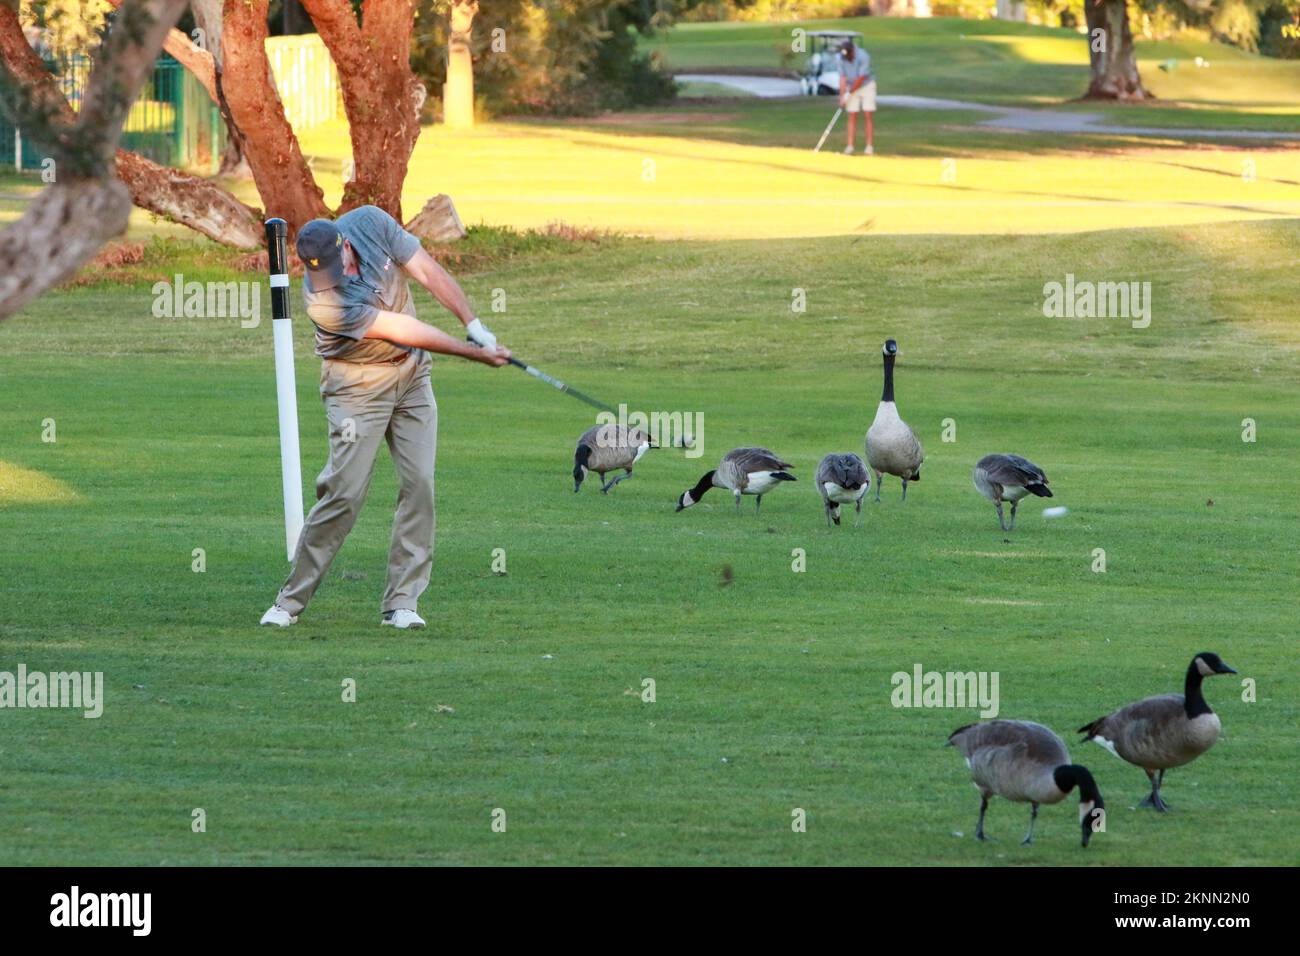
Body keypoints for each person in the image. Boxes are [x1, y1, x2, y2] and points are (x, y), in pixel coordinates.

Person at [260, 206, 510, 630]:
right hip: (356, 387)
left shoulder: (371, 223)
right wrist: (473, 354)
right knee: (344, 493)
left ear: (345, 244)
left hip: (413, 375)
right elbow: (402, 329)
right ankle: (290, 601)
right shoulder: (325, 301)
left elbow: (428, 272)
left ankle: (402, 603)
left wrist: (474, 323)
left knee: (420, 484)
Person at [837, 39, 876, 156]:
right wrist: (842, 96)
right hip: (850, 86)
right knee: (852, 115)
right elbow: (842, 78)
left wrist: (849, 93)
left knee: (867, 113)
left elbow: (861, 78)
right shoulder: (840, 58)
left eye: (849, 55)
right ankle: (850, 146)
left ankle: (869, 147)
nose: (847, 58)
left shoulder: (863, 56)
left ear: (853, 50)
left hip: (866, 85)